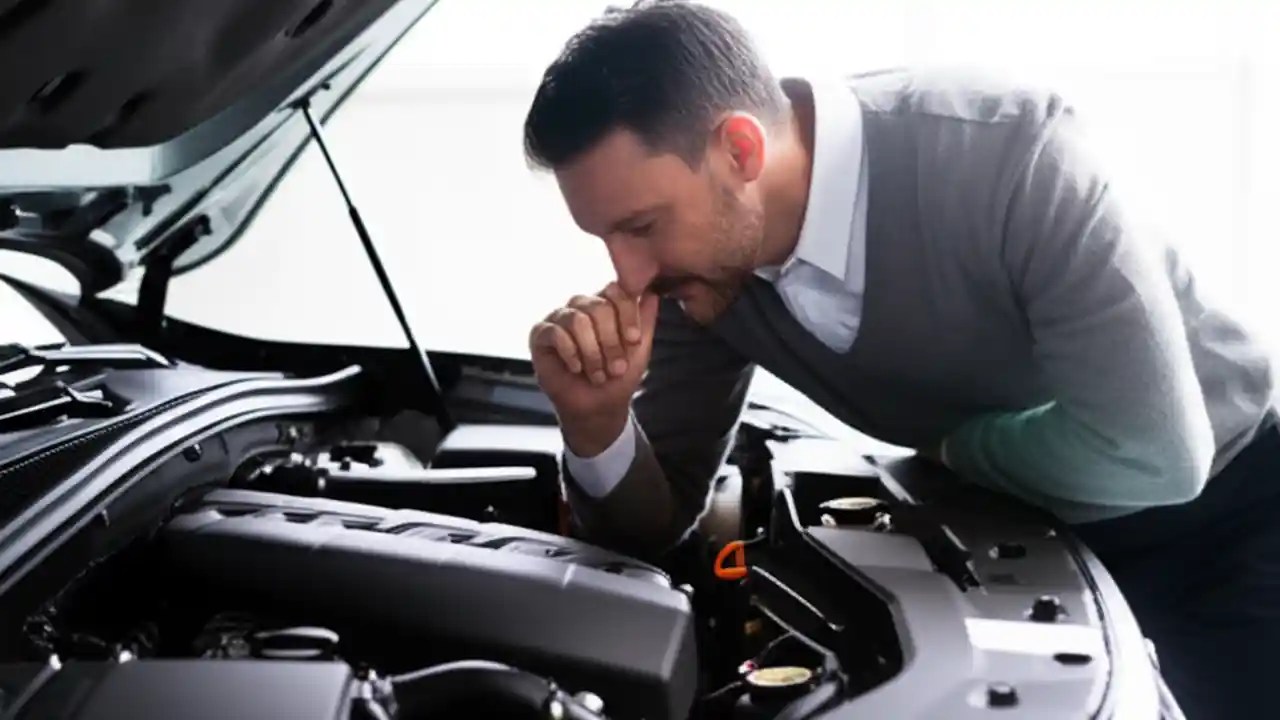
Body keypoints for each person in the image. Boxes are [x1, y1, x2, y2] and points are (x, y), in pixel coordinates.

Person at [521, 1, 1277, 716]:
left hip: (1229, 519)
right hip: (1030, 542)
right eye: (606, 238)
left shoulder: (1010, 152)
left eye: (641, 227)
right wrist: (598, 426)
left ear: (740, 150)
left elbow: (1156, 455)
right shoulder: (702, 279)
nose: (629, 275)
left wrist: (950, 454)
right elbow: (651, 534)